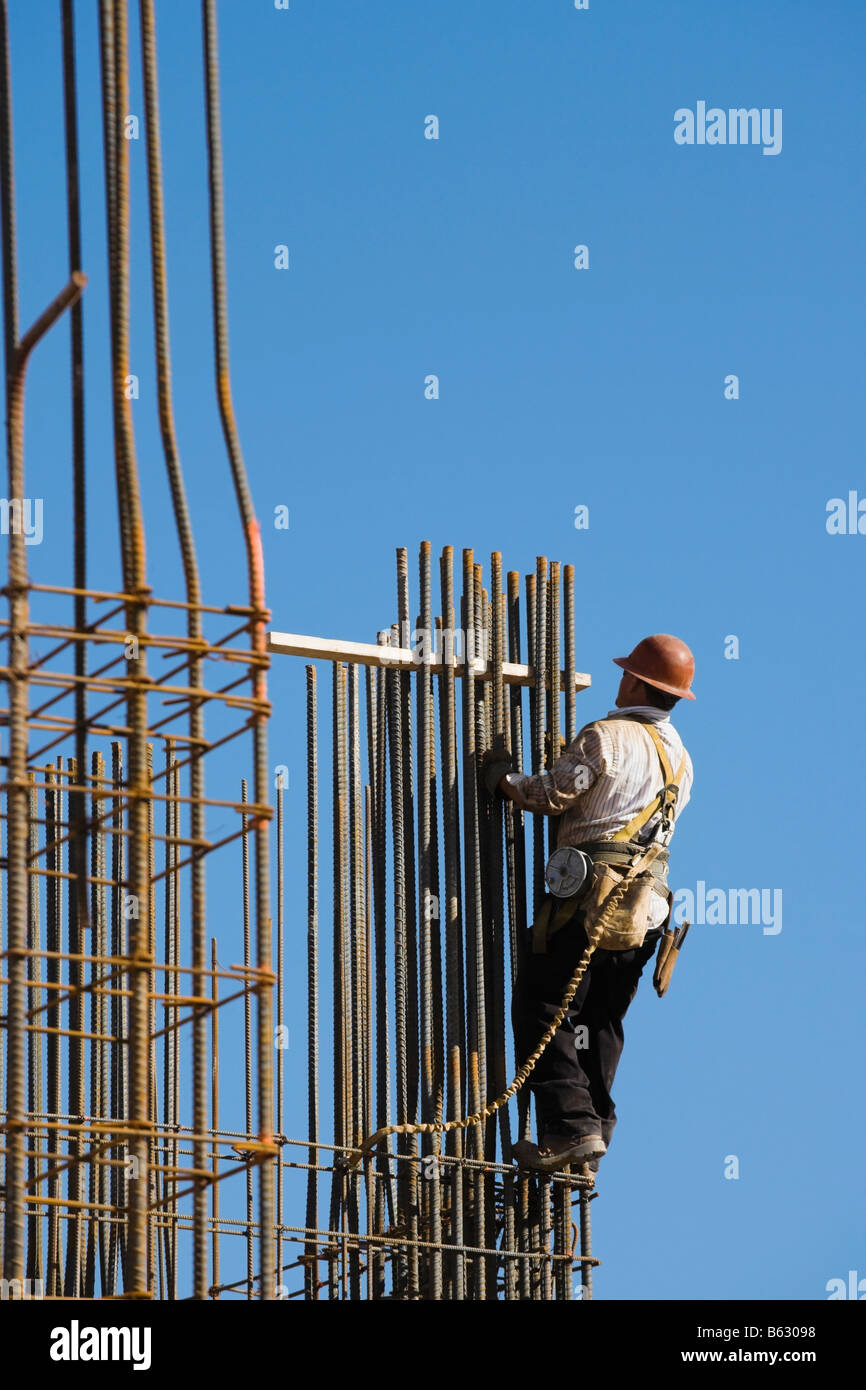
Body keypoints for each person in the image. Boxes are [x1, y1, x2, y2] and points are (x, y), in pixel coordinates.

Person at [495, 634, 695, 1172]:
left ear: (634, 681)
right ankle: (594, 1131)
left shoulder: (604, 737)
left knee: (543, 1006)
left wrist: (505, 779)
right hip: (646, 913)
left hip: (589, 901)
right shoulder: (682, 759)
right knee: (600, 1020)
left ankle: (569, 1130)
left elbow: (548, 796)